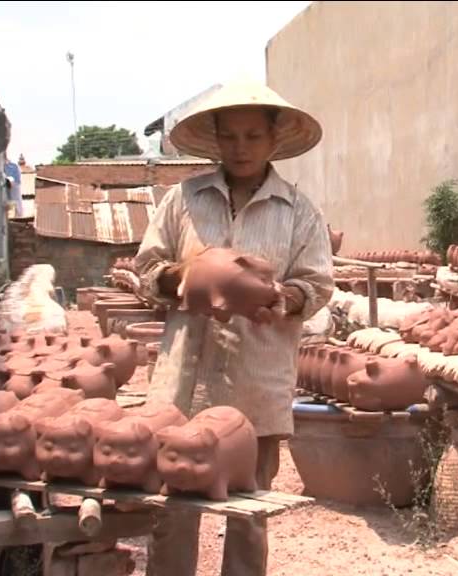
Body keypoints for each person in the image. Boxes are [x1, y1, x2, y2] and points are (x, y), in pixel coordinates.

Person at [134, 82, 335, 576]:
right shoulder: (182, 199)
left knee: (248, 512)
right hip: (185, 378)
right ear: (217, 141)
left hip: (257, 381)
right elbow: (146, 267)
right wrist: (188, 275)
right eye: (230, 137)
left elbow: (317, 284)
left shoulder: (298, 210)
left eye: (252, 136)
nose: (241, 148)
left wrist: (280, 300)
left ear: (273, 141)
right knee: (173, 503)